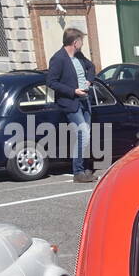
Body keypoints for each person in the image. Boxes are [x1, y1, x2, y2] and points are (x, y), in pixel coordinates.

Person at [47, 27, 97, 183]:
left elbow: (91, 67)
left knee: (85, 136)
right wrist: (73, 91)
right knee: (84, 135)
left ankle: (84, 167)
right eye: (81, 41)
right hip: (71, 102)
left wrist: (89, 80)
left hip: (84, 100)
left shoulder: (79, 56)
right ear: (75, 42)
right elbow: (51, 82)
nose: (82, 44)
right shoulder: (58, 58)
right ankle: (78, 172)